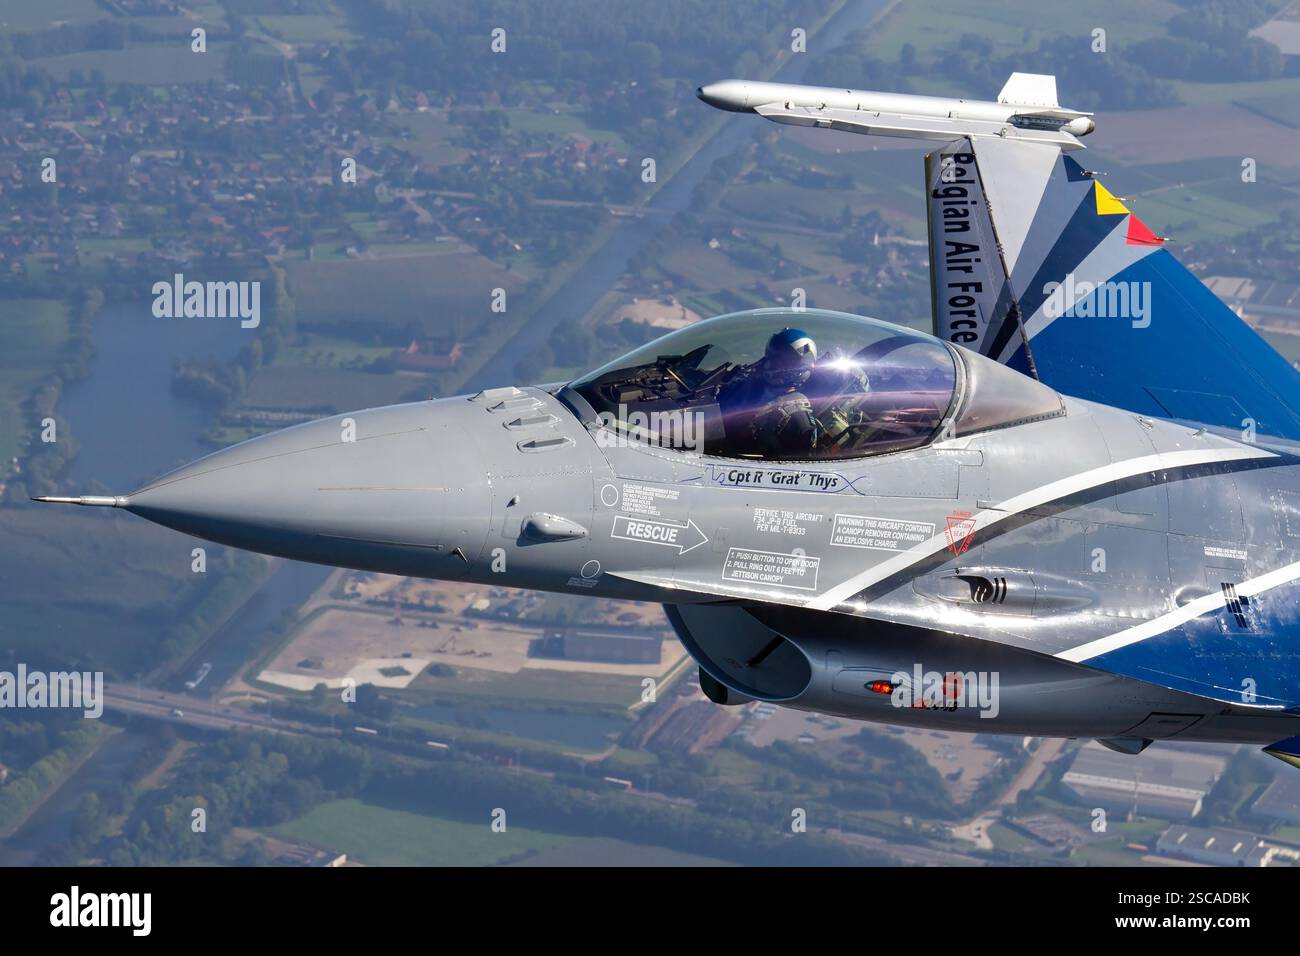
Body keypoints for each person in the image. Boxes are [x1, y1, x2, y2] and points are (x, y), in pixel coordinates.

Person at [719, 328, 821, 457]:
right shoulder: (754, 385)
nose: (770, 365)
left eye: (782, 361)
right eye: (773, 358)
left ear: (798, 367)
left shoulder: (797, 413)